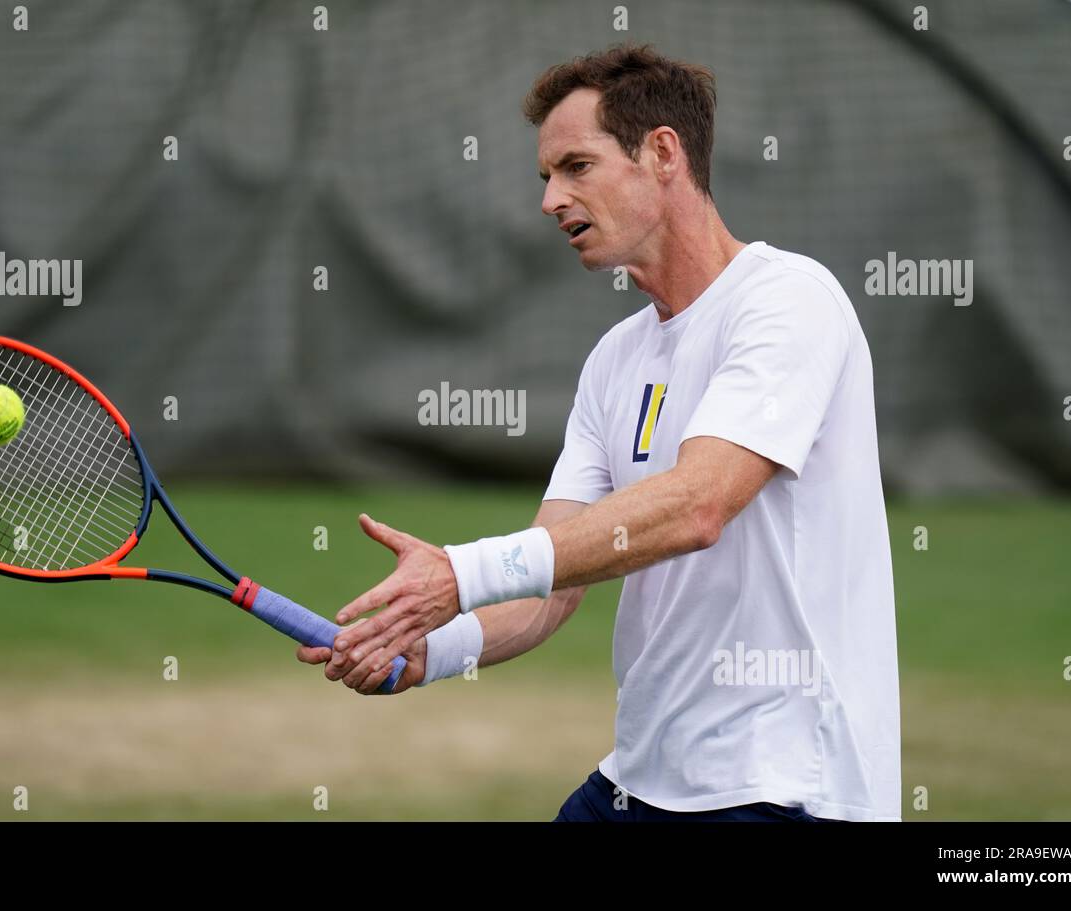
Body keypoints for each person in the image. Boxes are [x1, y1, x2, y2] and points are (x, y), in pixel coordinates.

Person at [296, 44, 900, 822]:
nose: (551, 198)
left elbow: (698, 506)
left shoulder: (790, 301)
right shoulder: (615, 360)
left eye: (575, 166)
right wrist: (429, 644)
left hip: (785, 789)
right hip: (639, 782)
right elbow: (551, 586)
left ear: (662, 154)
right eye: (546, 176)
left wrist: (460, 572)